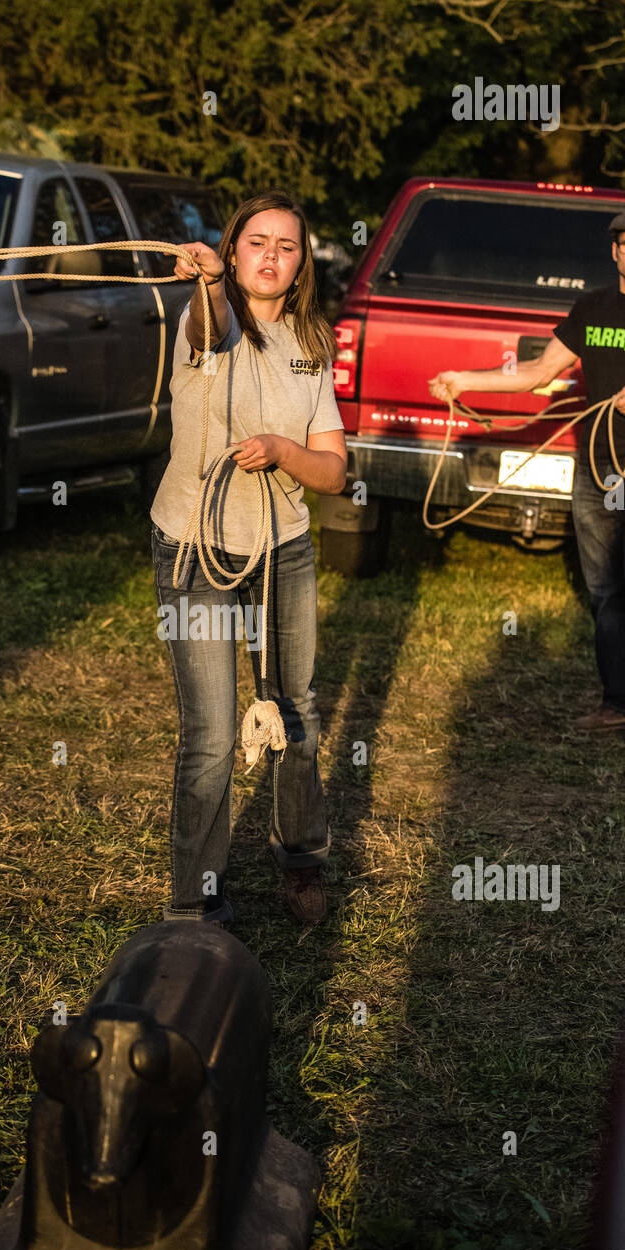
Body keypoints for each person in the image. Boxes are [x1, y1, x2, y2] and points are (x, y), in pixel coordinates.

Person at [150, 190, 347, 927]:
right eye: (255, 242)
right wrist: (203, 281)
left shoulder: (309, 347)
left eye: (286, 246)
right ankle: (194, 902)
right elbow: (209, 327)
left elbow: (332, 471)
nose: (269, 256)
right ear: (232, 251)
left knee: (296, 710)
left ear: (300, 264)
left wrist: (285, 451)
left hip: (282, 548)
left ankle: (301, 858)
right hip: (193, 548)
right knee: (208, 731)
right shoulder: (211, 318)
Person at [428, 208, 625, 732]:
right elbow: (538, 373)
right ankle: (621, 703)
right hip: (596, 470)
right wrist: (464, 379)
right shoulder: (591, 308)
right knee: (605, 590)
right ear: (614, 251)